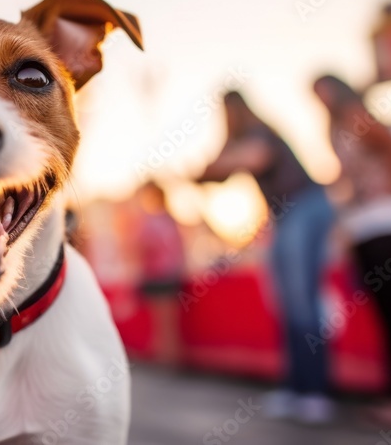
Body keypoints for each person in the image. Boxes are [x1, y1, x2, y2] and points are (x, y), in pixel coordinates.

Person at [197, 90, 335, 424]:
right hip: (285, 217)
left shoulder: (258, 132)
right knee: (287, 304)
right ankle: (297, 388)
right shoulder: (239, 140)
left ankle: (316, 392)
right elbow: (215, 172)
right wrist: (209, 170)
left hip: (306, 206)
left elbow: (252, 158)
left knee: (303, 302)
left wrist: (216, 165)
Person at [313, 74, 391, 425]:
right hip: (363, 226)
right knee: (385, 312)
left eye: (323, 90)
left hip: (384, 222)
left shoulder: (355, 115)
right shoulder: (336, 127)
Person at [134, 181, 185, 365]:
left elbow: (143, 248)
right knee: (169, 322)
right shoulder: (170, 220)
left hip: (157, 275)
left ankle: (166, 359)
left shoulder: (150, 221)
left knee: (161, 323)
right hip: (170, 274)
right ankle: (171, 358)